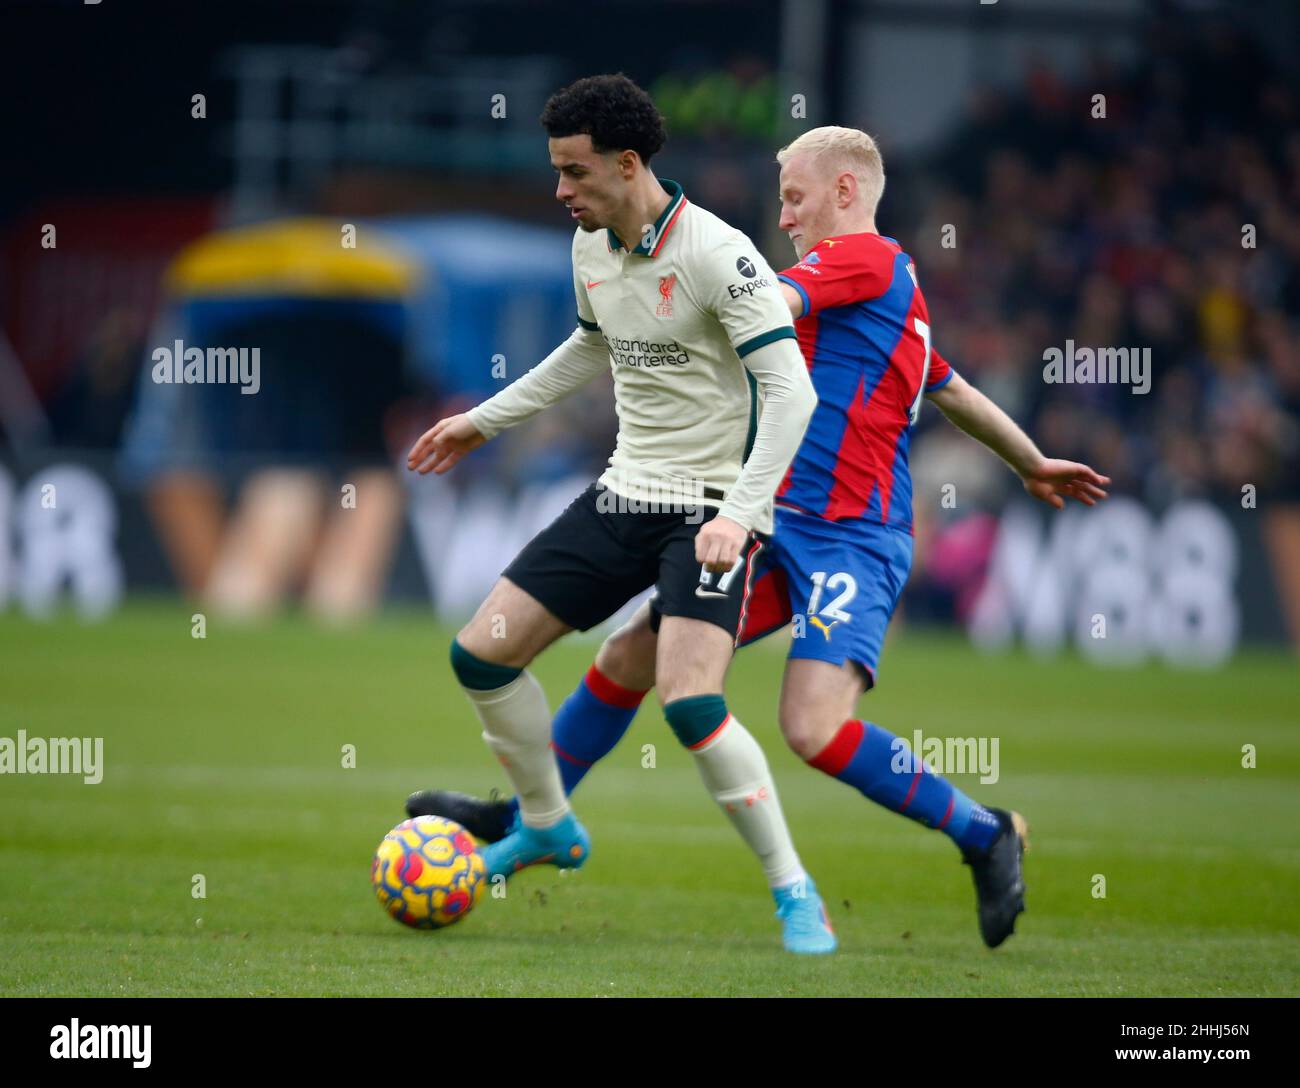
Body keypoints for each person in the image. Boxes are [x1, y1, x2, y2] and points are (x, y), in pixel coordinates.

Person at [411, 126, 1111, 948]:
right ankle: (531, 810)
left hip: (853, 538)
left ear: (845, 194)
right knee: (629, 658)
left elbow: (755, 305)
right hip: (773, 523)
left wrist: (680, 288)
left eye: (795, 197)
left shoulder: (865, 262)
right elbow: (948, 388)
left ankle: (982, 832)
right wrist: (1030, 460)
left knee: (812, 729)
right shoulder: (889, 295)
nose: (784, 217)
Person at [406, 75, 835, 953]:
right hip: (624, 494)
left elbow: (793, 392)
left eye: (574, 171)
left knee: (687, 701)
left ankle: (795, 890)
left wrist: (742, 516)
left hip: (712, 509)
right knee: (480, 654)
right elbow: (588, 348)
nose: (560, 190)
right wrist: (483, 422)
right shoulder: (591, 246)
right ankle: (548, 825)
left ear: (627, 163)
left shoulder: (719, 253)